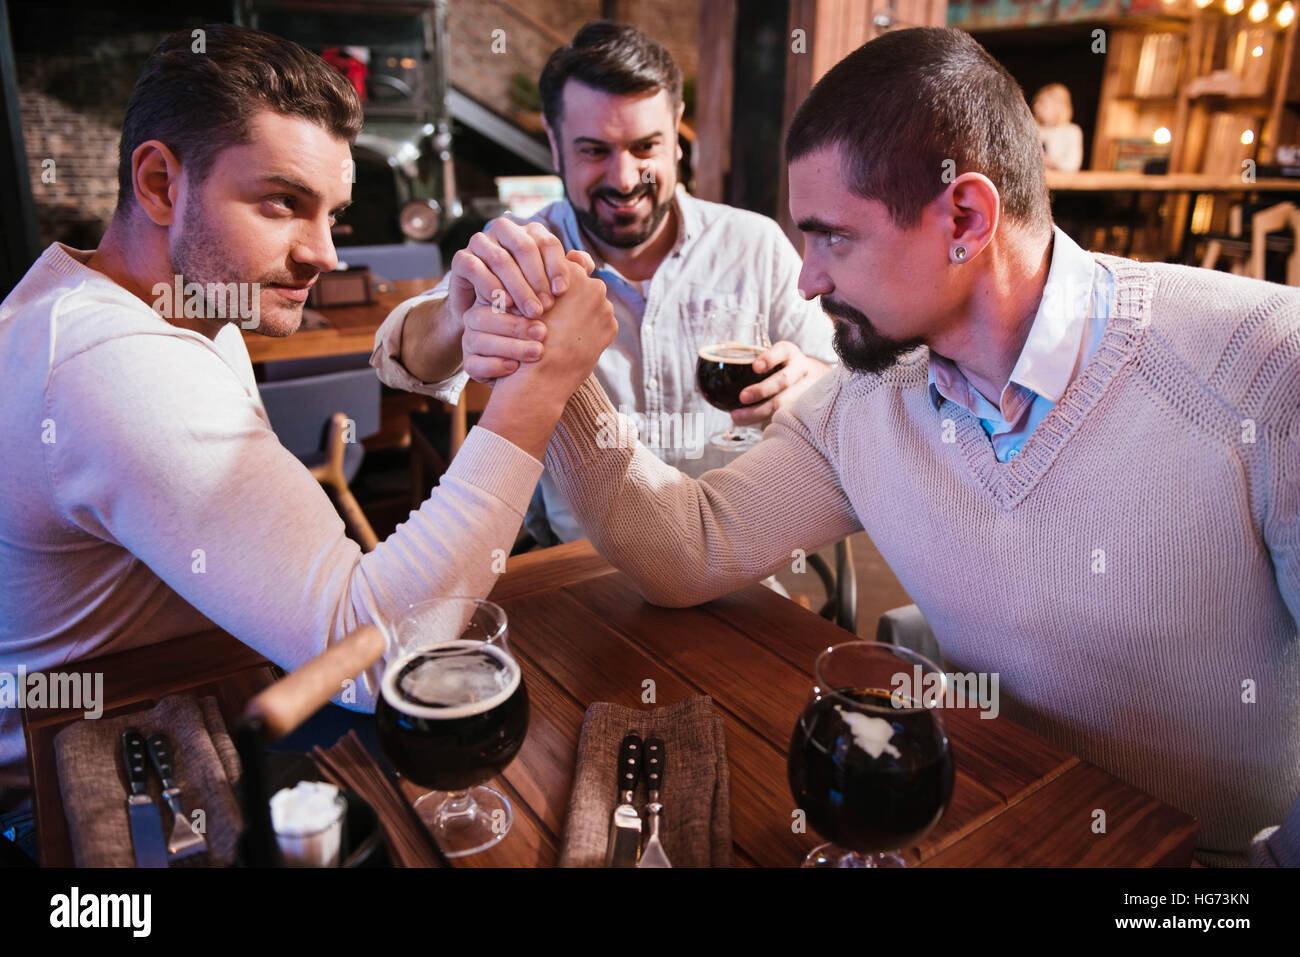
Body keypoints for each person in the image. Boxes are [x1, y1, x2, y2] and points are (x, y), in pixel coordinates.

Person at [486, 28, 1300, 866]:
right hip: (982, 820)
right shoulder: (864, 399)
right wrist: (558, 373)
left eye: (833, 236)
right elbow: (687, 547)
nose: (806, 279)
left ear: (965, 217)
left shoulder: (1269, 370)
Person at [0, 24, 614, 794]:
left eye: (332, 212)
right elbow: (370, 653)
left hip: (195, 705)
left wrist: (456, 321)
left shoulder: (154, 304)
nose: (324, 252)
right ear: (160, 184)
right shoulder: (112, 364)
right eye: (282, 203)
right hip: (85, 794)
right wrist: (539, 388)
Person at [371, 20, 835, 545]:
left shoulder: (753, 243)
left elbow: (839, 381)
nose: (622, 177)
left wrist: (805, 379)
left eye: (644, 147)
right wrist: (457, 316)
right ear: (554, 142)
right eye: (594, 150)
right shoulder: (525, 249)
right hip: (580, 563)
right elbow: (402, 361)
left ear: (677, 135)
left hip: (736, 550)